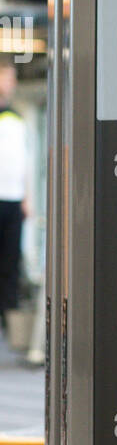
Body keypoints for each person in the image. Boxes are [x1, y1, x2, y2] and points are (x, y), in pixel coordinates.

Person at [0, 55, 29, 340]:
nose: (11, 84)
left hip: (13, 198)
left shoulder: (17, 117)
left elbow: (24, 161)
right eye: (7, 77)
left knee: (11, 262)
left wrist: (26, 198)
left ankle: (10, 323)